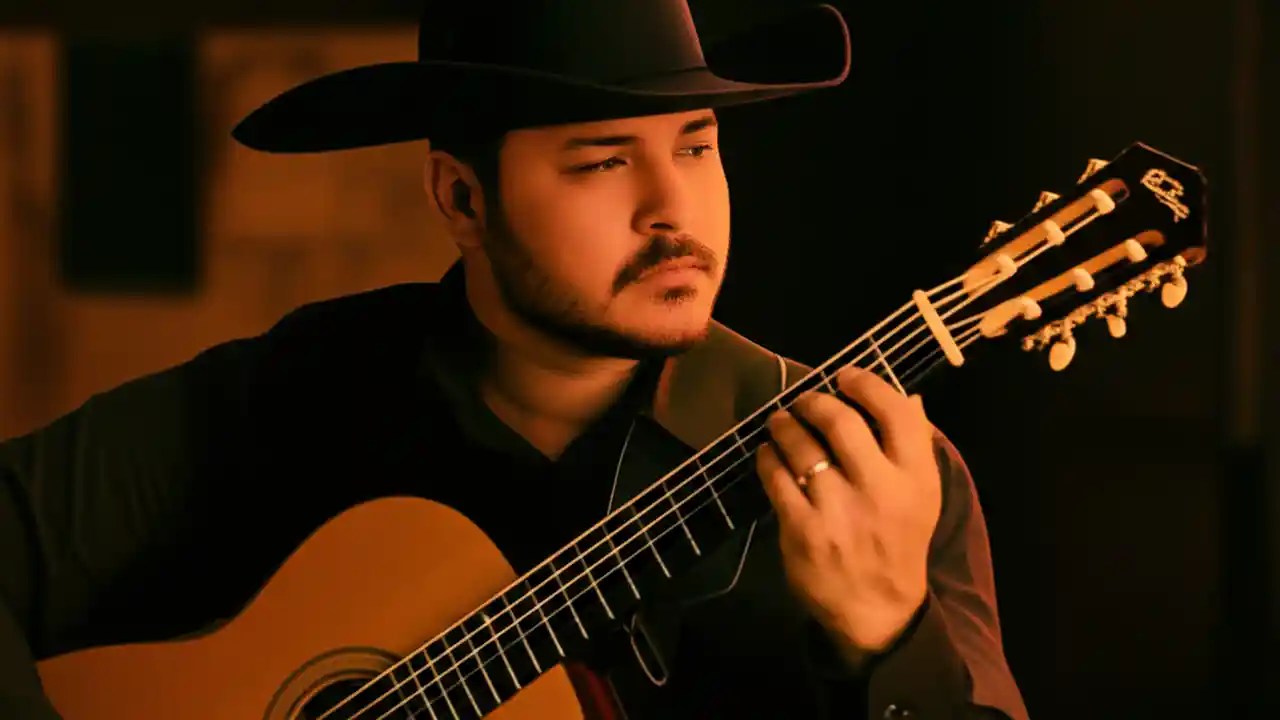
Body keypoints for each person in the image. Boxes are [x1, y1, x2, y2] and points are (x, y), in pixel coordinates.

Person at [0, 1, 1030, 718]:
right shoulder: (298, 393)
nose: (673, 209)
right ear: (459, 199)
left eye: (695, 144)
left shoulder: (876, 472)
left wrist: (887, 631)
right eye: (601, 161)